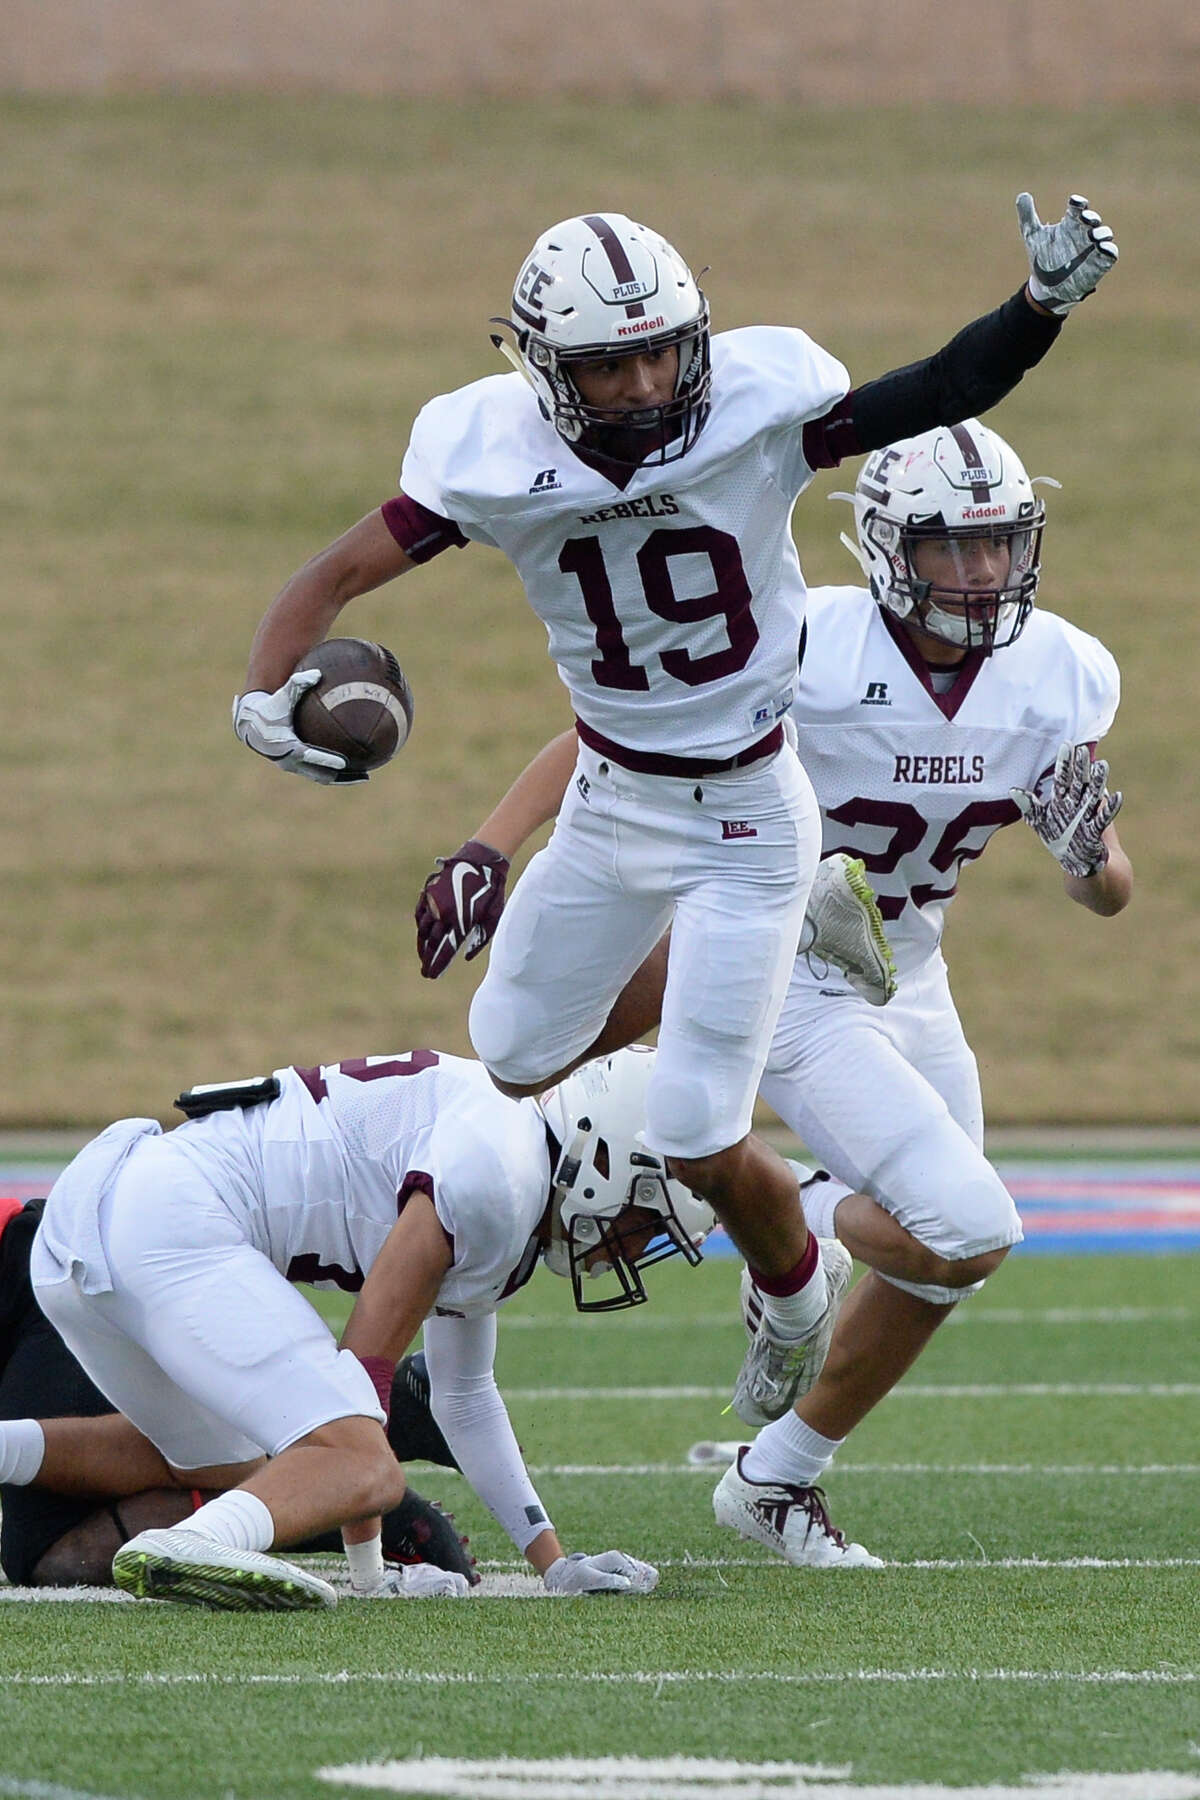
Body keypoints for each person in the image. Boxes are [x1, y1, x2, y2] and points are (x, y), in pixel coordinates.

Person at [234, 195, 1119, 1432]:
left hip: (756, 812)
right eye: (611, 362)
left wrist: (1038, 312)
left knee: (702, 1124)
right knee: (516, 1051)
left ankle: (796, 1290)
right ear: (543, 369)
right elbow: (333, 576)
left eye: (663, 349)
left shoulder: (757, 412)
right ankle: (788, 989)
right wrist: (265, 693)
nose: (649, 382)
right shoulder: (493, 453)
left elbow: (931, 387)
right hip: (610, 794)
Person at [410, 418, 1132, 1567]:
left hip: (909, 966)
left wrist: (1088, 855)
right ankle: (767, 1220)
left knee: (940, 1259)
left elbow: (1110, 894)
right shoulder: (809, 642)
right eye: (954, 546)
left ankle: (776, 1478)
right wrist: (492, 846)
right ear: (892, 550)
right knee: (973, 1224)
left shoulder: (1062, 672)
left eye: (1000, 544)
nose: (984, 572)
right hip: (785, 958)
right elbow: (619, 742)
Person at [28, 1045, 713, 1609]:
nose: (630, 1249)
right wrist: (368, 1570)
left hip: (92, 1222)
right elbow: (364, 1376)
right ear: (603, 1160)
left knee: (224, 1459)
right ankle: (194, 1541)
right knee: (358, 1461)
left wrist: (554, 1563)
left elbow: (465, 1397)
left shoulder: (509, 1164)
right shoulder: (498, 1181)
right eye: (643, 1220)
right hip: (175, 1218)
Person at [0, 1191, 471, 1588]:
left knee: (52, 1555)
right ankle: (356, 1449)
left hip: (46, 1277)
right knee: (173, 1458)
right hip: (85, 1247)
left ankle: (347, 1476)